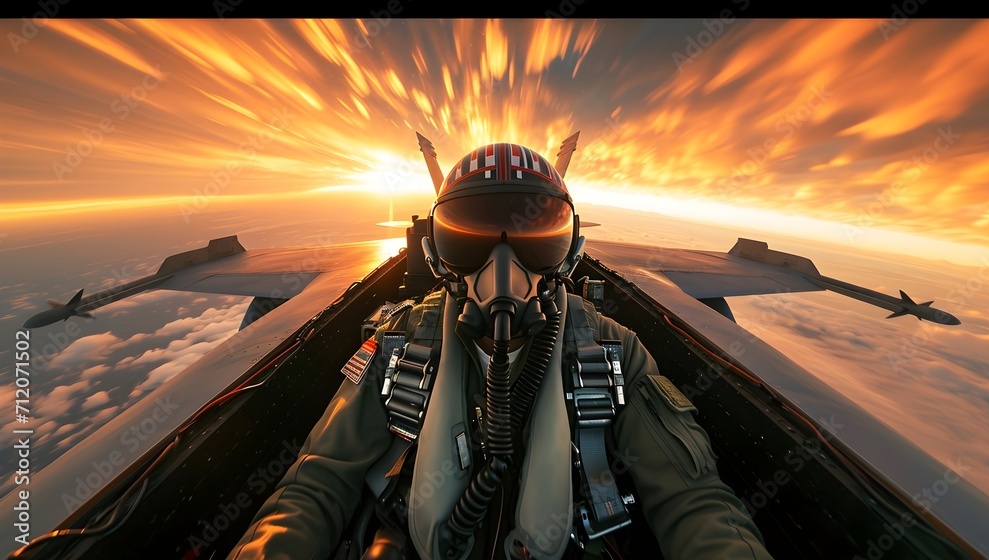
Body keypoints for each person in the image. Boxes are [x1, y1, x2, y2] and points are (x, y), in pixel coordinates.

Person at [228, 142, 771, 560]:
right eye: (469, 238)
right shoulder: (399, 344)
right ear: (438, 254)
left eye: (536, 238)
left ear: (570, 251)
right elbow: (318, 483)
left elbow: (693, 501)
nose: (503, 271)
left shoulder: (610, 352)